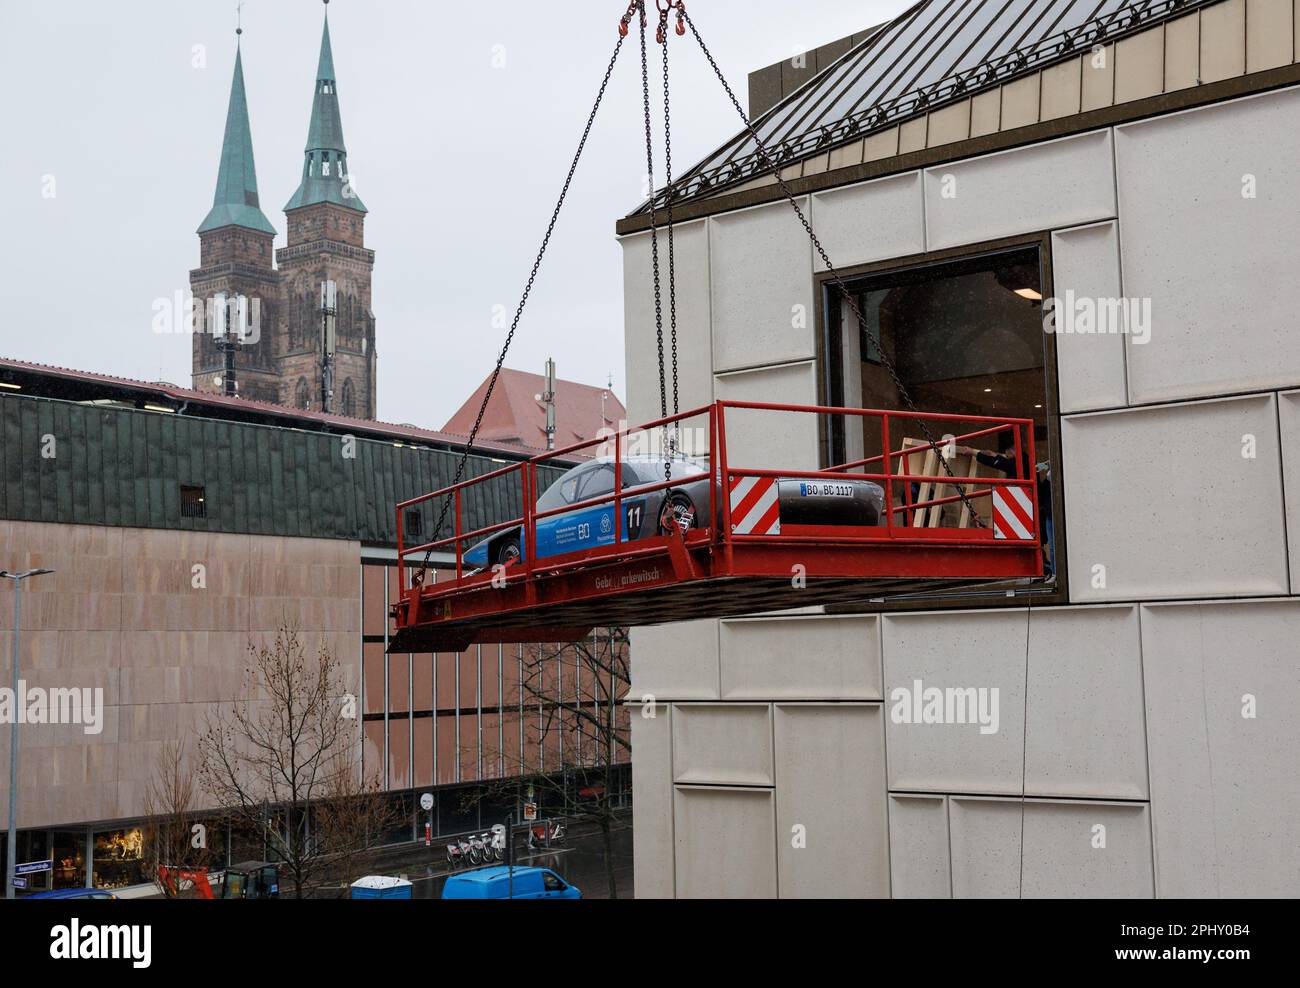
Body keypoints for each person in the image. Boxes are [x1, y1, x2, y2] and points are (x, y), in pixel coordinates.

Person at [958, 443, 1053, 577]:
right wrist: (978, 451)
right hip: (1033, 510)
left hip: (1026, 510)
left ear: (1012, 452)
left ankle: (1043, 567)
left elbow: (997, 462)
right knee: (1032, 542)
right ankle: (1044, 565)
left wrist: (974, 453)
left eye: (1007, 455)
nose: (1006, 458)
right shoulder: (1028, 462)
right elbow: (996, 456)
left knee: (1025, 541)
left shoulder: (1018, 464)